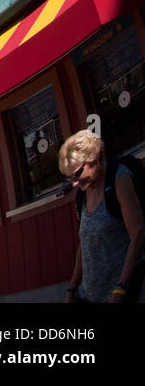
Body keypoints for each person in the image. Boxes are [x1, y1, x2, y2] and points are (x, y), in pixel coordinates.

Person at [59, 130, 145, 303]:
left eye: (78, 173)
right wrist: (72, 289)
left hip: (118, 293)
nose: (75, 182)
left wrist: (121, 289)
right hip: (88, 294)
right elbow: (85, 242)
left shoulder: (119, 180)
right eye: (70, 178)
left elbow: (138, 233)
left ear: (94, 157)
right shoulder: (82, 194)